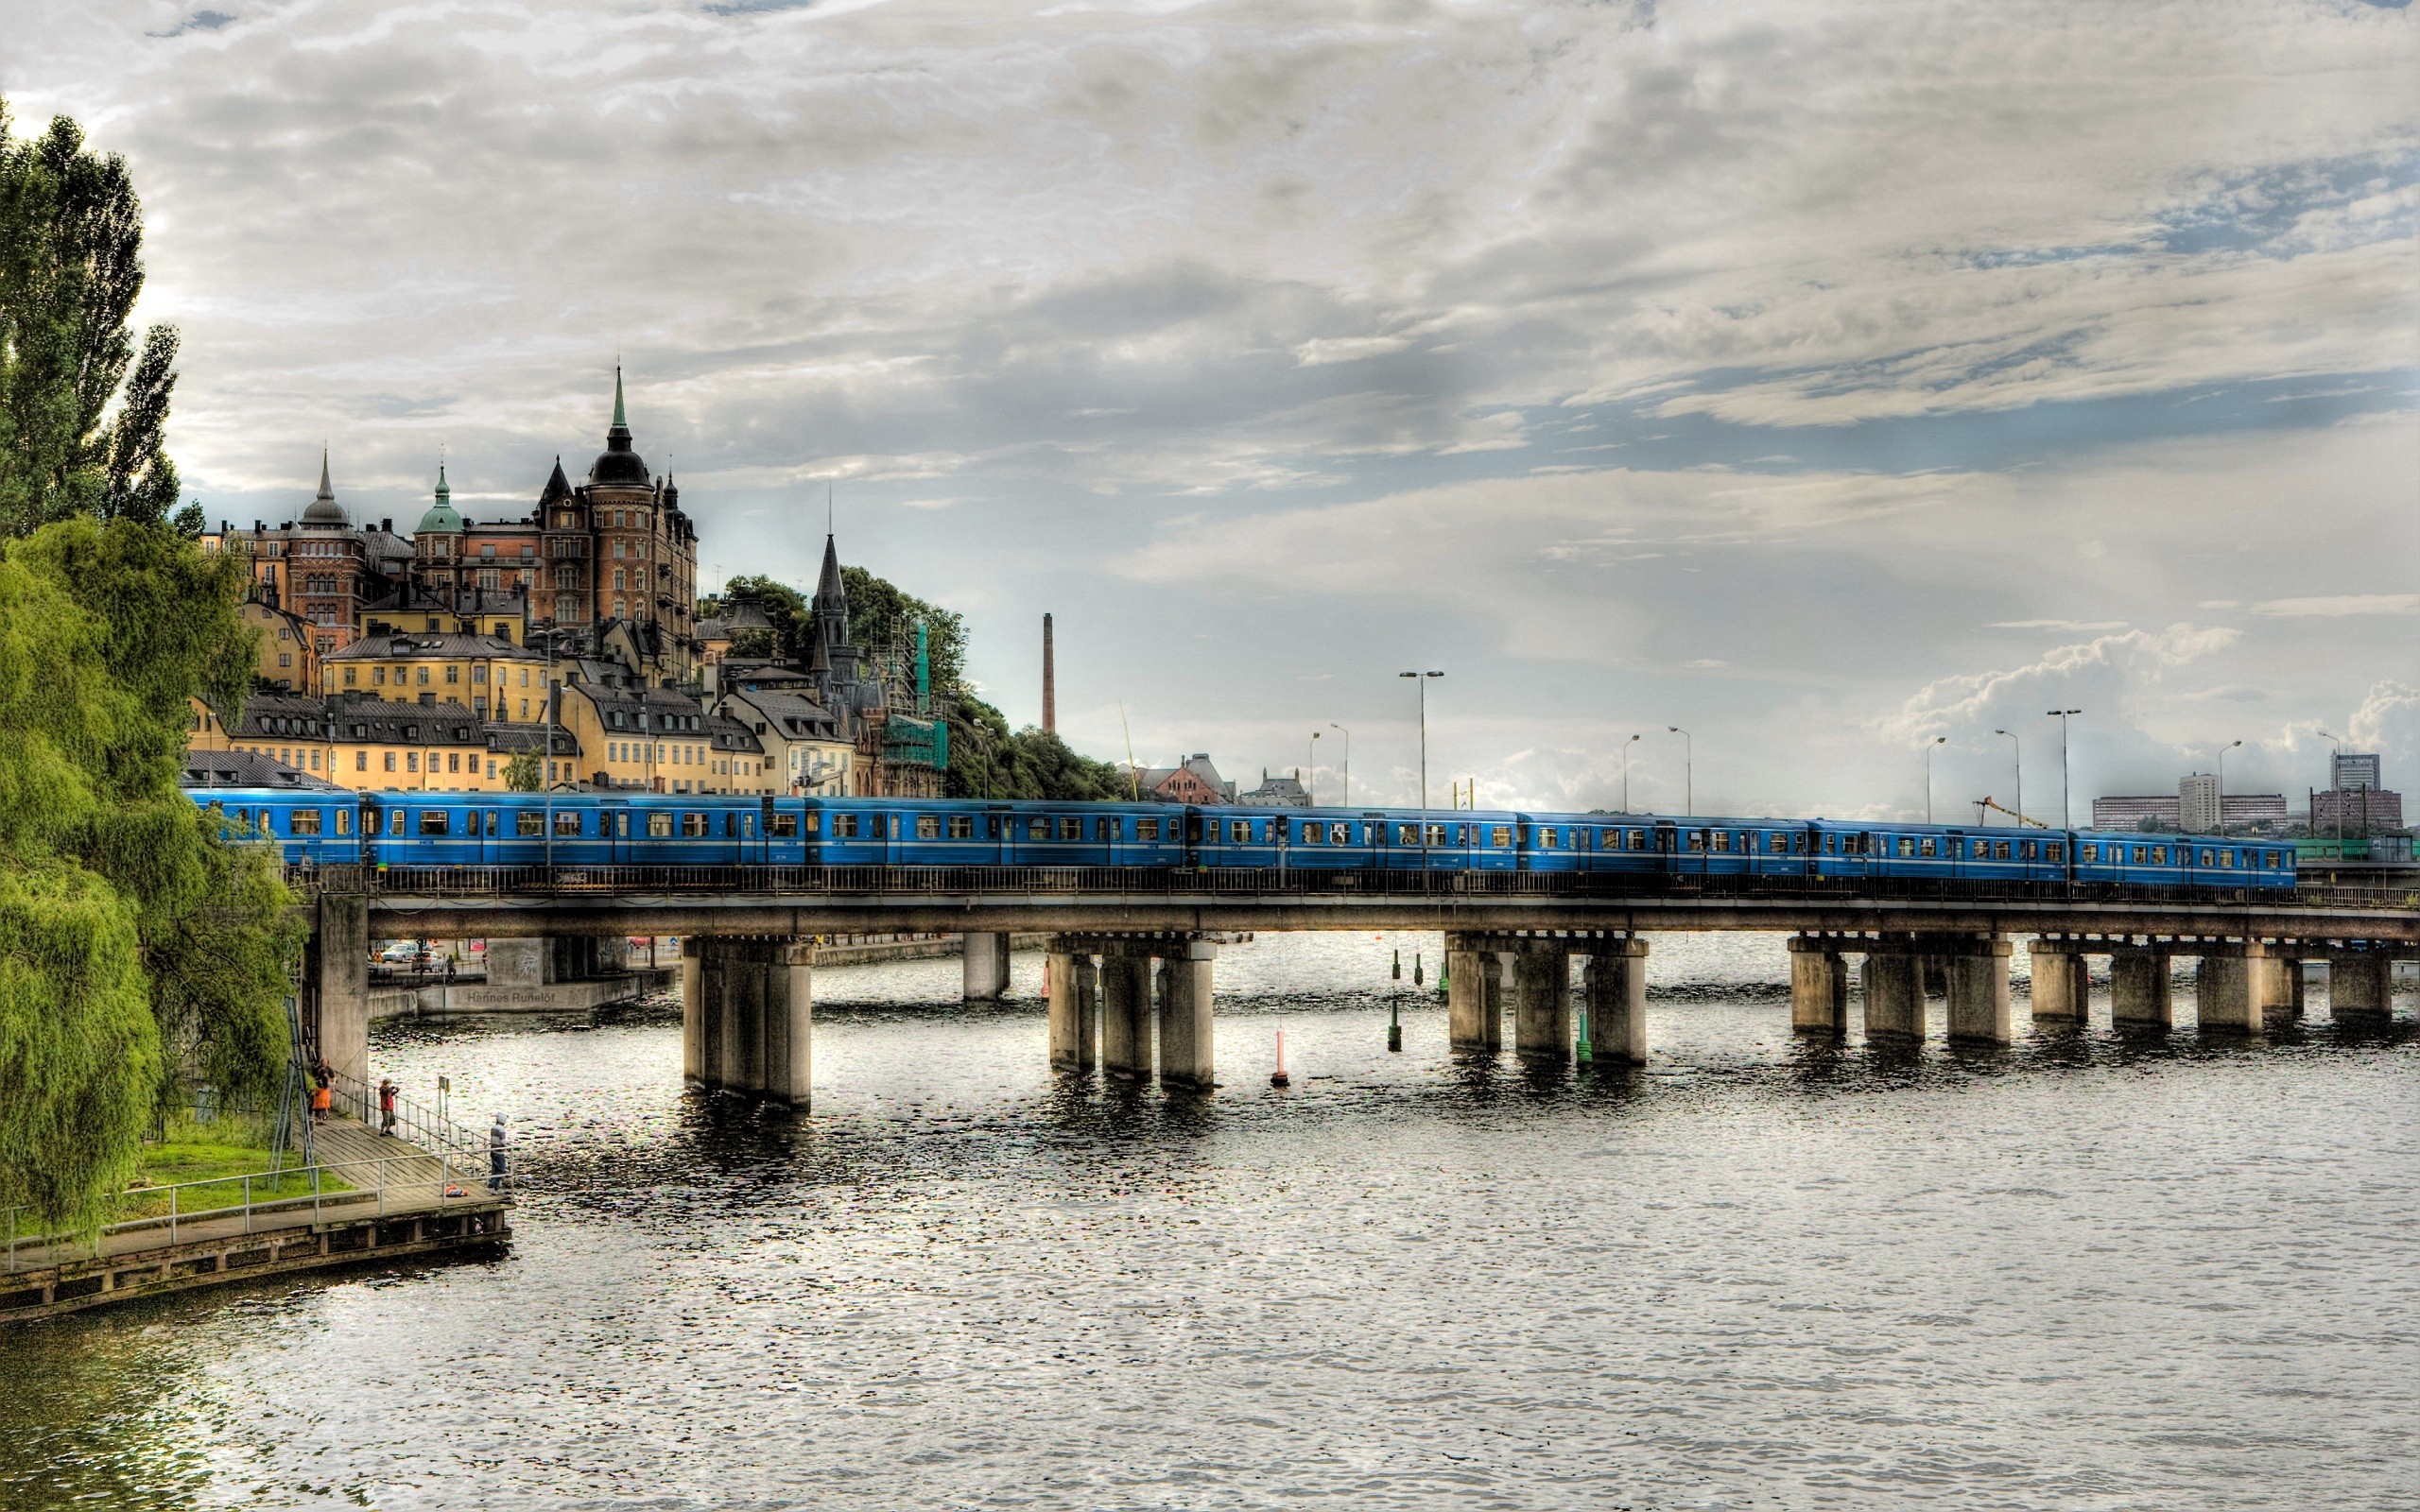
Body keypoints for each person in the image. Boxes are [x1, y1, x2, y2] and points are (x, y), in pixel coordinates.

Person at [489, 1113, 509, 1193]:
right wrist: (508, 1146)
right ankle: (492, 1184)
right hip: (499, 1152)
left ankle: (494, 1189)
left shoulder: (493, 1128)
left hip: (493, 1150)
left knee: (495, 1170)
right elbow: (503, 1141)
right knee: (502, 1170)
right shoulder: (501, 1130)